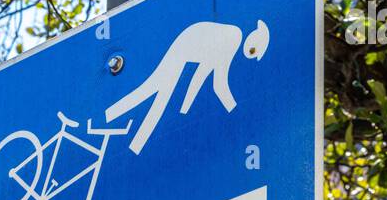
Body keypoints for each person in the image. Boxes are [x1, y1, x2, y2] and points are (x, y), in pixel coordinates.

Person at [105, 18, 270, 154]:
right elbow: (219, 84)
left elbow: (203, 73)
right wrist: (239, 112)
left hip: (187, 45)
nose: (248, 55)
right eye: (252, 52)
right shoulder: (234, 36)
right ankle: (125, 136)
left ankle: (114, 121)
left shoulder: (230, 36)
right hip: (184, 48)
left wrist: (186, 106)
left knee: (154, 90)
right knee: (158, 96)